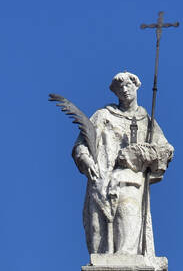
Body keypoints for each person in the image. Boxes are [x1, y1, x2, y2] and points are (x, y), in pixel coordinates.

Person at [72, 72, 173, 255]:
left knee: (127, 222)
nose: (125, 90)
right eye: (120, 88)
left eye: (128, 86)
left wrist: (141, 154)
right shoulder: (103, 115)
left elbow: (165, 150)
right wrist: (85, 159)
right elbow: (81, 145)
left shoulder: (146, 120)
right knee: (97, 234)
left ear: (136, 87)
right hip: (101, 180)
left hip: (130, 181)